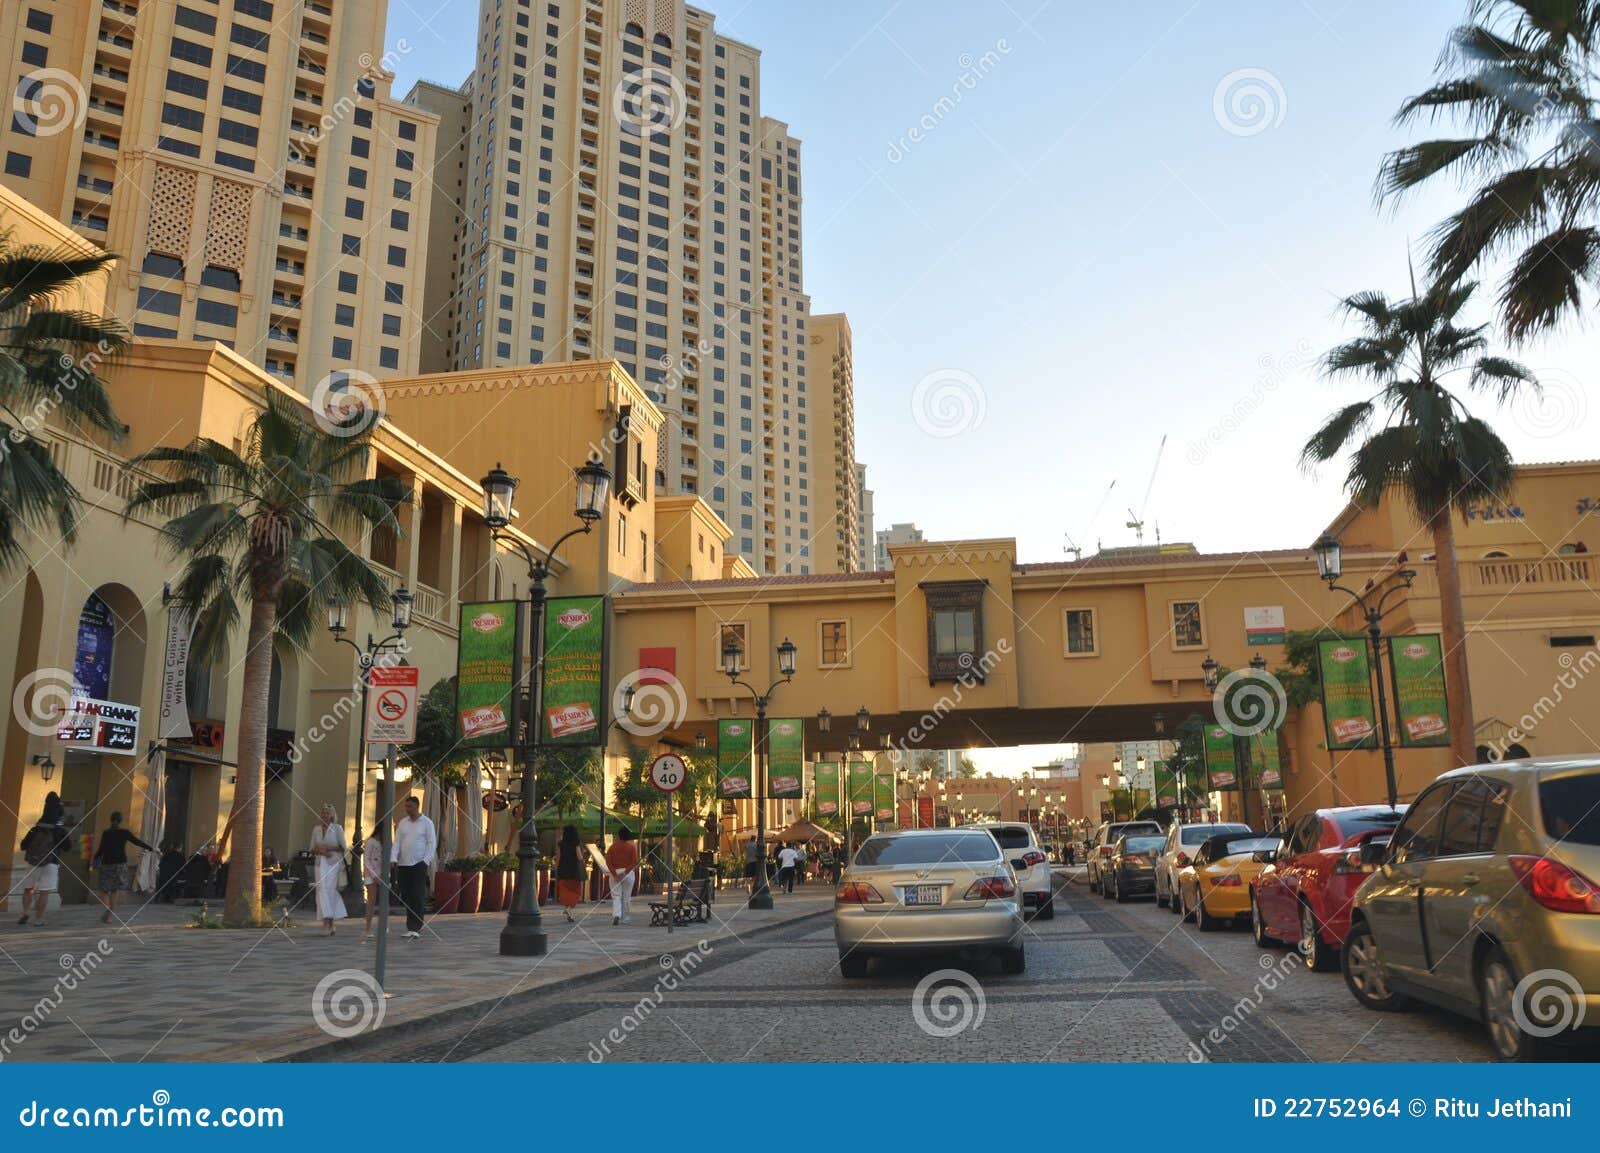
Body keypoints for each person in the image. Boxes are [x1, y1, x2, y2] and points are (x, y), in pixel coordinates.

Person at [89, 811, 153, 924]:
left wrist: (94, 860)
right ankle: (110, 914)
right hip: (120, 864)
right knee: (114, 889)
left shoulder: (106, 833)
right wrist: (149, 847)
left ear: (111, 819)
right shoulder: (124, 832)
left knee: (103, 889)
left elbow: (102, 849)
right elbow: (136, 841)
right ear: (120, 820)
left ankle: (108, 907)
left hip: (107, 863)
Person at [16, 792, 68, 927]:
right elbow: (67, 847)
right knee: (44, 892)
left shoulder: (36, 828)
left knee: (28, 889)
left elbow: (23, 845)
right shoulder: (60, 830)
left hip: (33, 862)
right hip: (51, 862)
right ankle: (39, 919)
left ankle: (25, 912)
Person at [391, 795, 437, 939]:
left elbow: (431, 842)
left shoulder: (427, 823)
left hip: (419, 863)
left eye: (409, 806)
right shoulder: (403, 823)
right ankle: (411, 922)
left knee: (416, 894)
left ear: (417, 806)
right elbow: (397, 842)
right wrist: (393, 858)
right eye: (406, 806)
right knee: (405, 893)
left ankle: (414, 926)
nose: (407, 809)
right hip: (404, 864)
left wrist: (426, 860)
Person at [309, 803, 348, 935]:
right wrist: (319, 851)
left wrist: (329, 849)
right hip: (320, 862)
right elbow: (312, 848)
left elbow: (343, 847)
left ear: (332, 815)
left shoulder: (337, 829)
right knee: (321, 890)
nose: (325, 815)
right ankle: (328, 922)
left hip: (333, 862)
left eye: (327, 813)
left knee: (329, 890)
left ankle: (328, 922)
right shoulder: (316, 829)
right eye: (323, 812)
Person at [605, 827, 638, 925]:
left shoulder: (612, 847)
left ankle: (616, 915)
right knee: (626, 897)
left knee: (616, 896)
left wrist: (614, 873)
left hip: (615, 872)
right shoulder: (631, 847)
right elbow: (634, 862)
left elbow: (608, 862)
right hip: (628, 874)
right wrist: (626, 872)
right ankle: (625, 918)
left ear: (619, 836)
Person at [555, 824, 585, 922]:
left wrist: (557, 867)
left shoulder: (561, 844)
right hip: (574, 870)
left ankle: (570, 914)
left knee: (565, 890)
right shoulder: (576, 844)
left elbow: (558, 858)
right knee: (576, 892)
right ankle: (569, 909)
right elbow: (579, 857)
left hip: (563, 869)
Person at [362, 831, 385, 941]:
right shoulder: (370, 842)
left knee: (384, 900)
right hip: (371, 874)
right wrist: (374, 875)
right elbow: (366, 859)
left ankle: (383, 925)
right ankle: (368, 928)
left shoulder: (385, 842)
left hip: (382, 874)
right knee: (371, 900)